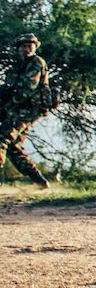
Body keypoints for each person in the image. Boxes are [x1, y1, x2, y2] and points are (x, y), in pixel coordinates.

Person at [0, 34, 52, 190]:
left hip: (29, 108)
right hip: (19, 108)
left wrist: (6, 108)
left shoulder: (37, 62)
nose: (26, 48)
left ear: (35, 47)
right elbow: (8, 89)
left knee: (2, 137)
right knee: (13, 147)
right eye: (23, 46)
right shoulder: (18, 66)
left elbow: (27, 90)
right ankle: (40, 182)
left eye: (30, 45)